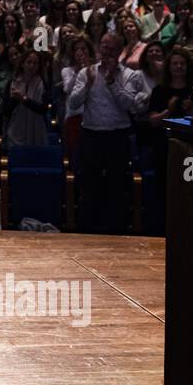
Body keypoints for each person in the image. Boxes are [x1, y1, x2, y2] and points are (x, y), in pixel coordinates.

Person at [67, 32, 147, 234]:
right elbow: (73, 102)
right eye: (103, 47)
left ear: (120, 51)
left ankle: (116, 233)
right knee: (88, 187)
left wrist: (112, 83)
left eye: (111, 48)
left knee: (117, 189)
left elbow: (129, 105)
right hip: (91, 136)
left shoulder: (130, 75)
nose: (106, 51)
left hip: (117, 137)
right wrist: (87, 83)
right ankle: (87, 231)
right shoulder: (87, 73)